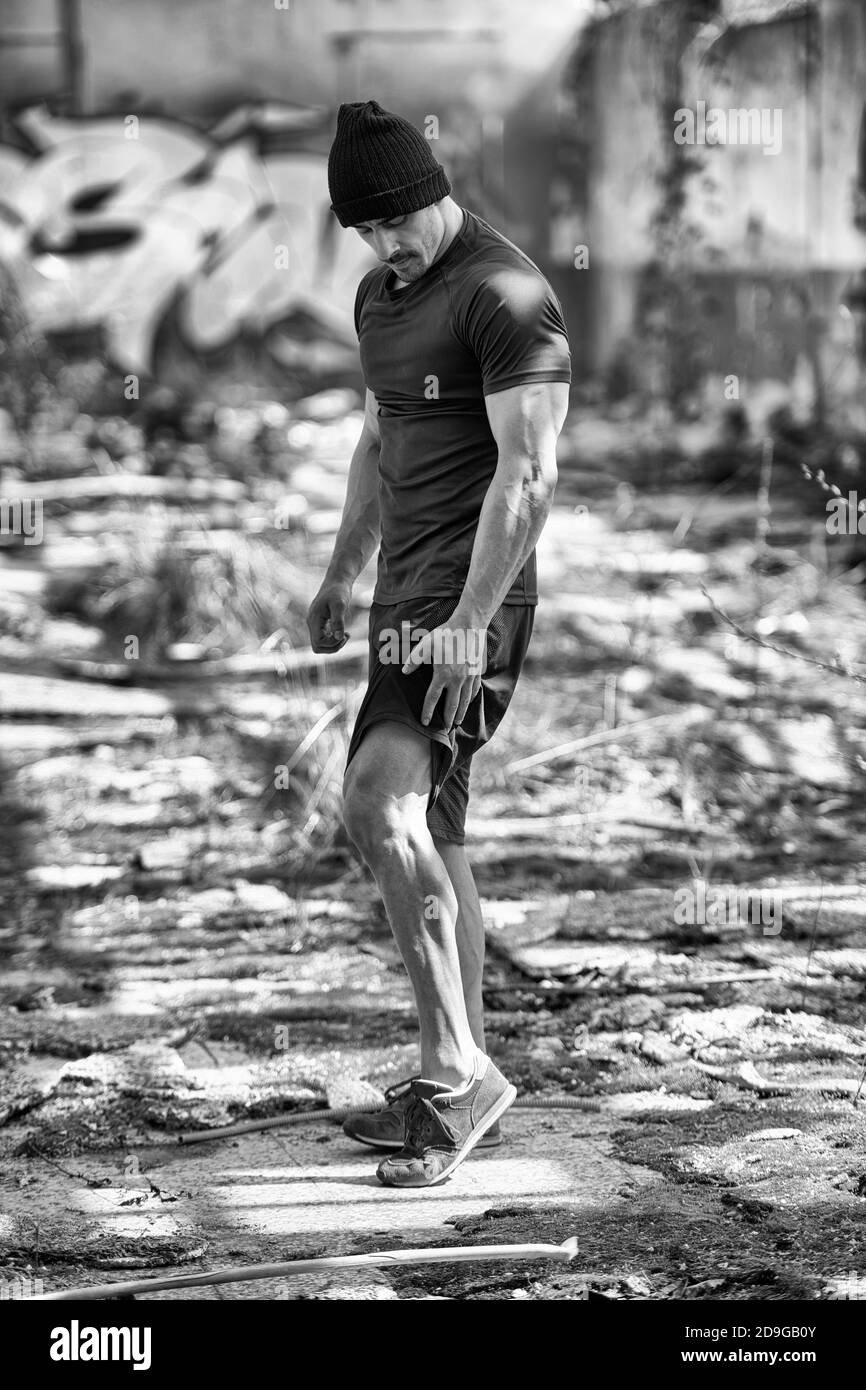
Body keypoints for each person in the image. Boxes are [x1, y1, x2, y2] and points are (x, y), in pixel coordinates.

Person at [306, 100, 571, 1187]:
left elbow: (529, 474)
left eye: (399, 217)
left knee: (375, 802)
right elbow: (380, 441)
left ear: (437, 183)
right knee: (438, 838)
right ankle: (451, 1086)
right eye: (366, 229)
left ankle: (459, 1064)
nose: (386, 242)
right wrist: (339, 570)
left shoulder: (505, 294)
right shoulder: (379, 297)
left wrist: (468, 625)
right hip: (400, 604)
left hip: (471, 608)